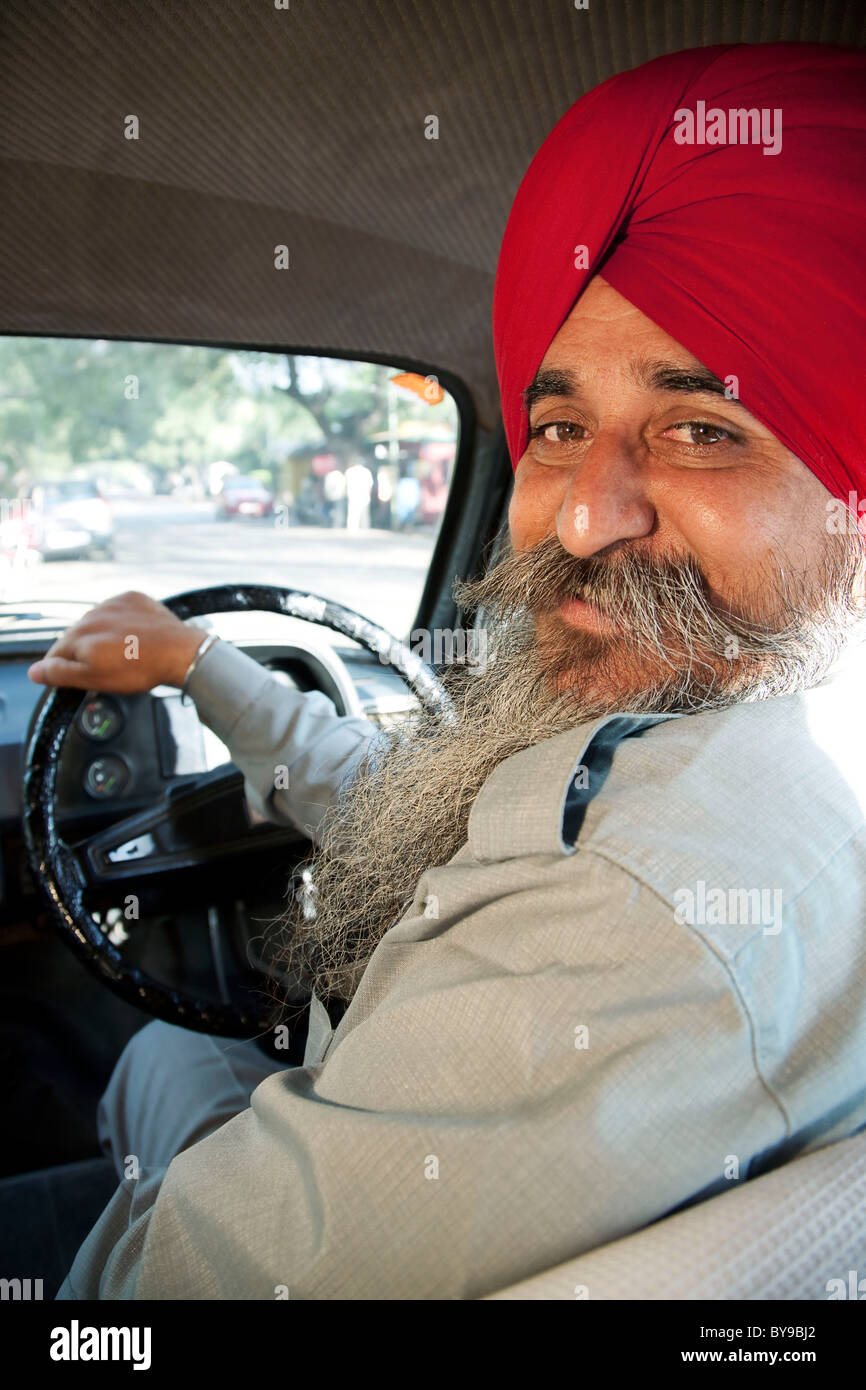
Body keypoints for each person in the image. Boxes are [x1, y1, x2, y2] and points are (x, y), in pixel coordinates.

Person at [26, 42, 866, 1299]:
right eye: (559, 428)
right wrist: (203, 664)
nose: (583, 519)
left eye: (700, 431)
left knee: (156, 1060)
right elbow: (406, 808)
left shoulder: (639, 900)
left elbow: (156, 1298)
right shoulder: (734, 722)